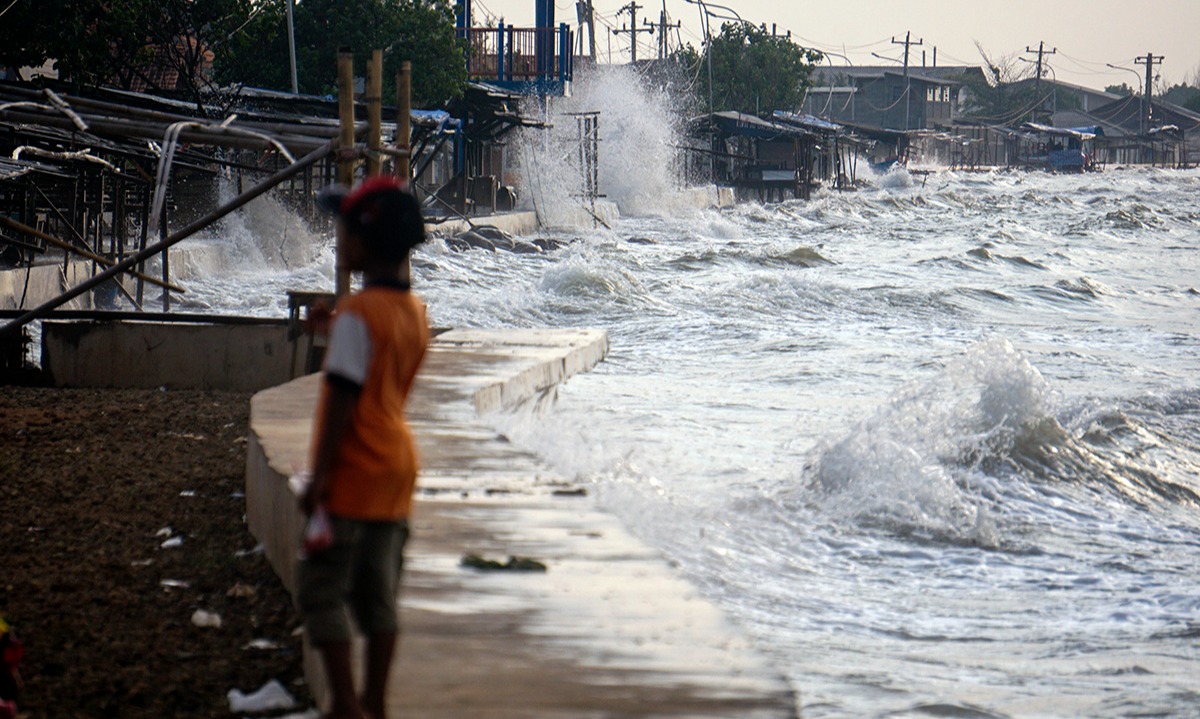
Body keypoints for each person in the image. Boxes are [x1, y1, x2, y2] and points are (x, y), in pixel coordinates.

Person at [297, 175, 430, 719]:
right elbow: (381, 364)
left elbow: (347, 399)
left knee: (321, 590)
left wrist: (319, 477)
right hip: (396, 467)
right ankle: (375, 702)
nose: (337, 239)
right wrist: (338, 328)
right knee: (379, 599)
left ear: (363, 241)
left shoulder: (358, 316)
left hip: (353, 466)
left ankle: (345, 705)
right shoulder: (413, 312)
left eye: (343, 229)